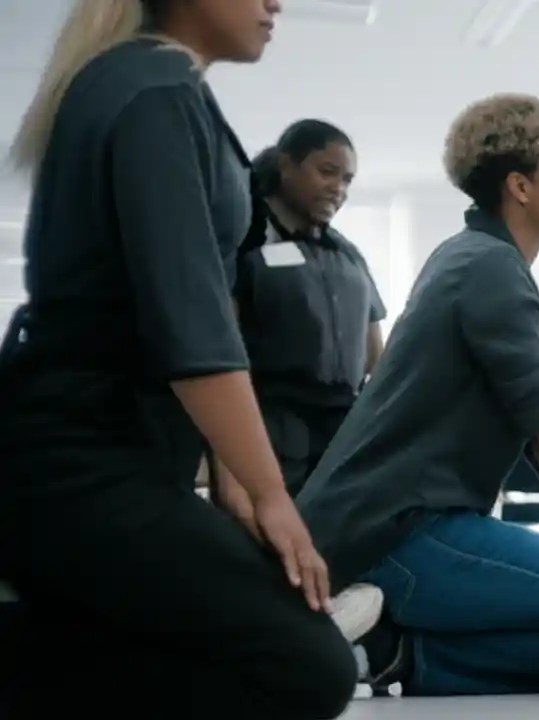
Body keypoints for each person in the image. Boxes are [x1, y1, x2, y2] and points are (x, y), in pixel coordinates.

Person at [0, 1, 363, 717]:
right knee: (307, 668)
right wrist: (269, 493)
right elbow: (191, 322)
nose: (275, 3)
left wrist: (234, 478)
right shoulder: (154, 93)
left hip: (101, 457)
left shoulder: (155, 86)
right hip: (73, 462)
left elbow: (197, 316)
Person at [296, 93, 539, 696]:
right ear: (521, 187)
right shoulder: (490, 269)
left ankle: (396, 652)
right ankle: (381, 642)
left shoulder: (468, 258)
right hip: (397, 531)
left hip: (387, 529)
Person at [223, 119, 387, 497]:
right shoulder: (242, 242)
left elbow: (377, 360)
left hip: (342, 434)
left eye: (347, 180)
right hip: (269, 430)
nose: (338, 189)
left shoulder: (348, 256)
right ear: (286, 165)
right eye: (327, 172)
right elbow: (218, 350)